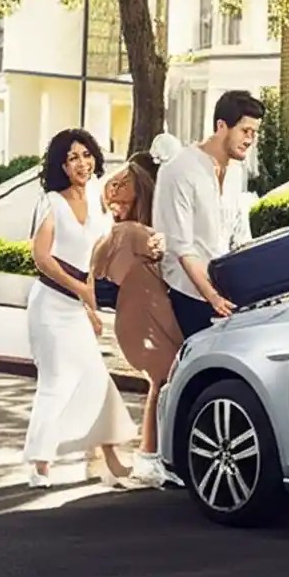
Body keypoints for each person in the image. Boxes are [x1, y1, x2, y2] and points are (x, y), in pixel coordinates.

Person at [23, 128, 137, 489]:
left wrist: (90, 309)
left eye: (86, 155)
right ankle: (39, 464)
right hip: (49, 305)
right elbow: (41, 257)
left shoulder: (97, 200)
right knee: (56, 382)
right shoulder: (52, 202)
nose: (82, 163)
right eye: (73, 157)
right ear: (62, 164)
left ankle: (109, 459)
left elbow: (91, 264)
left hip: (75, 306)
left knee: (95, 378)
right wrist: (80, 292)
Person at [90, 154, 183, 488]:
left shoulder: (134, 230)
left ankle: (152, 452)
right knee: (163, 380)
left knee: (162, 382)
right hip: (144, 315)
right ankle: (150, 454)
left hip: (149, 312)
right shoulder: (132, 233)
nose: (114, 196)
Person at [153, 90, 261, 338]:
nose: (250, 140)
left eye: (254, 133)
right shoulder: (179, 169)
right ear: (222, 126)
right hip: (187, 293)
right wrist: (212, 297)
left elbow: (241, 237)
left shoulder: (236, 173)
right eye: (245, 131)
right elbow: (181, 247)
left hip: (225, 294)